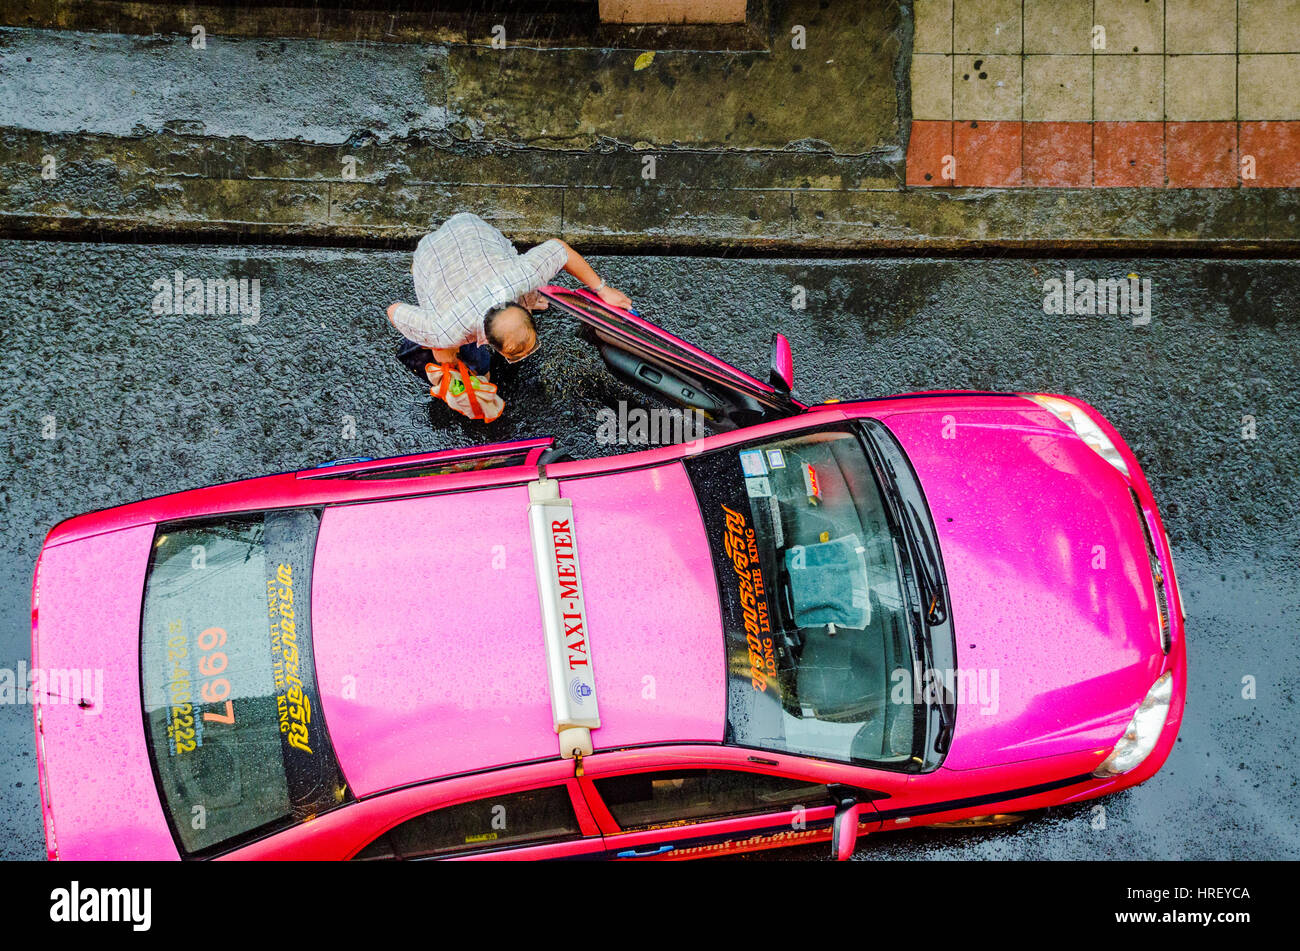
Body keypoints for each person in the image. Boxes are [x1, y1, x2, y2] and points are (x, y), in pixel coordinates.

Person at [386, 212, 632, 379]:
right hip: (430, 257)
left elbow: (561, 250)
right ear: (490, 343)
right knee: (478, 366)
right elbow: (393, 310)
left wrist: (603, 289)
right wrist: (442, 350)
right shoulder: (446, 329)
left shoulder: (523, 276)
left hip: (470, 228)